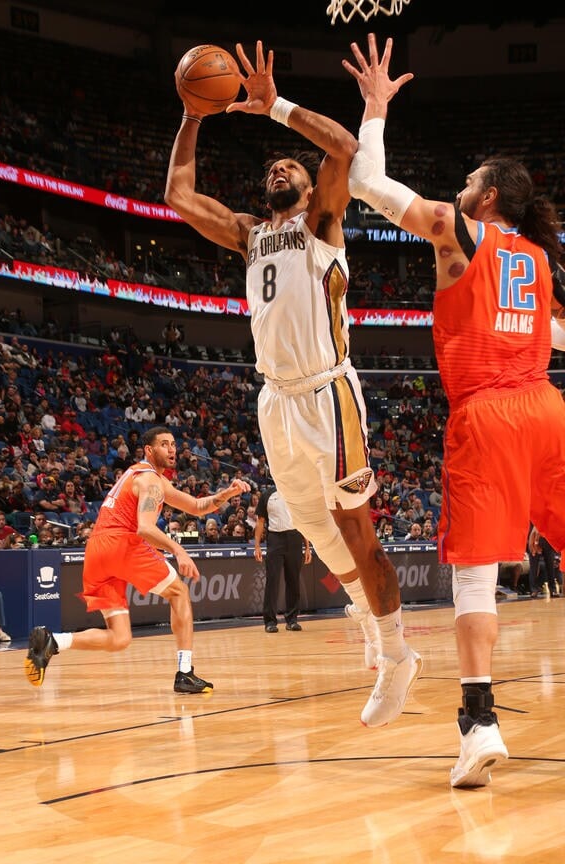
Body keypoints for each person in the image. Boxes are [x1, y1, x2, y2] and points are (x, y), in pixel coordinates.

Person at [165, 39, 421, 728]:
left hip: (328, 393)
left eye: (291, 166)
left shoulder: (323, 222)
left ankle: (398, 654)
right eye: (272, 167)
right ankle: (368, 618)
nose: (278, 167)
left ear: (310, 188)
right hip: (274, 401)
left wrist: (274, 105)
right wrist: (193, 113)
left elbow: (344, 148)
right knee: (312, 523)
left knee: (356, 529)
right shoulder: (250, 234)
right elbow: (178, 195)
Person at [344, 33, 565, 787]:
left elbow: (366, 181)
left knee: (475, 578)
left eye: (471, 179)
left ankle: (479, 724)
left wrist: (375, 107)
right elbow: (554, 334)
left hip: (488, 416)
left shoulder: (457, 228)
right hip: (548, 410)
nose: (461, 186)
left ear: (489, 195)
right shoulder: (540, 260)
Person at [24, 426, 251, 693]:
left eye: (173, 444)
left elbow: (196, 506)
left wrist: (226, 494)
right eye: (164, 444)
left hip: (96, 549)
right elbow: (144, 528)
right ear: (149, 450)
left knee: (119, 638)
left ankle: (53, 641)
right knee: (179, 592)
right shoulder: (150, 481)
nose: (171, 449)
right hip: (121, 543)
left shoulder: (142, 475)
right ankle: (185, 672)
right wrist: (178, 550)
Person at [254, 485, 311, 632]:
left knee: (293, 580)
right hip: (275, 538)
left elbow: (303, 521)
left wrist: (307, 546)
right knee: (272, 580)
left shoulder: (295, 492)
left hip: (294, 537)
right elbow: (260, 521)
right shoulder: (267, 494)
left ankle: (292, 620)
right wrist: (257, 546)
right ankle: (270, 622)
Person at [528, 525, 560, 597]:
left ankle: (553, 589)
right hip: (533, 537)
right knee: (533, 567)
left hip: (547, 539)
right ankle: (534, 590)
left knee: (550, 566)